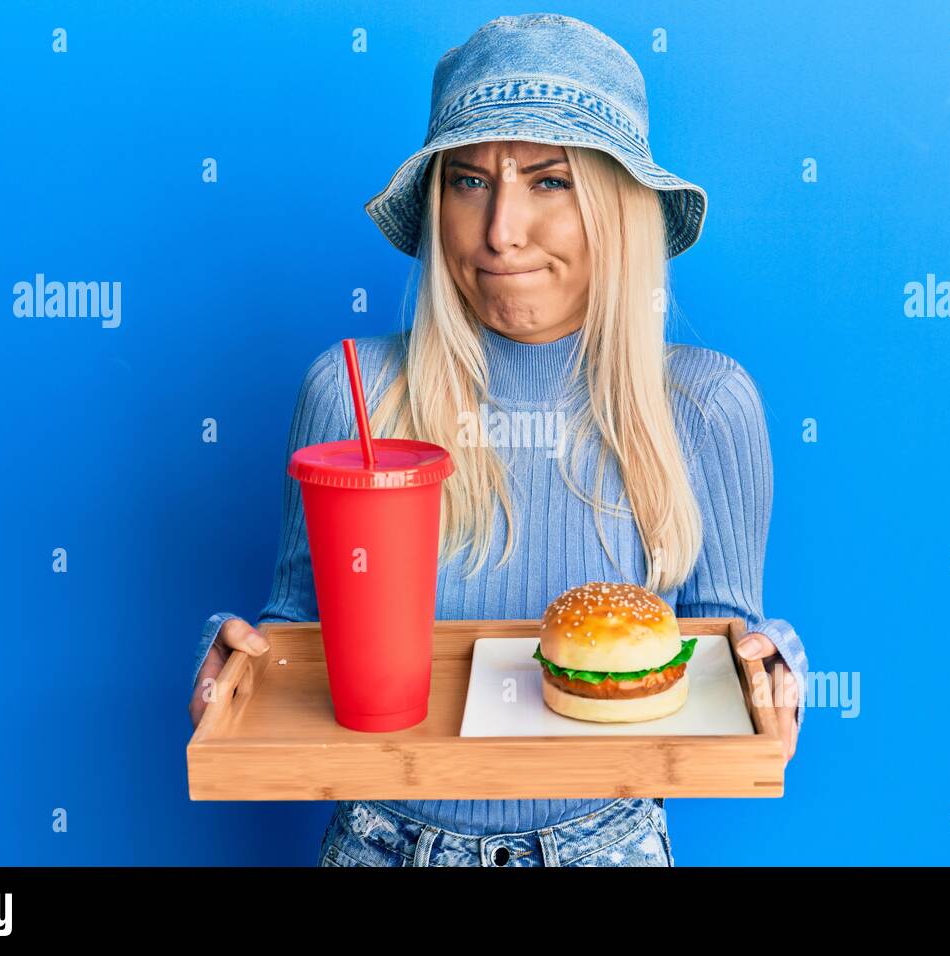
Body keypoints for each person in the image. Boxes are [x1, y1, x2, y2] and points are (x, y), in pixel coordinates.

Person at [187, 12, 807, 867]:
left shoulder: (707, 404)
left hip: (608, 845)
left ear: (618, 208)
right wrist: (234, 666)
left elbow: (718, 646)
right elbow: (297, 630)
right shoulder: (354, 391)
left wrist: (775, 664)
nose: (500, 230)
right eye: (470, 182)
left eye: (549, 182)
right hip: (380, 843)